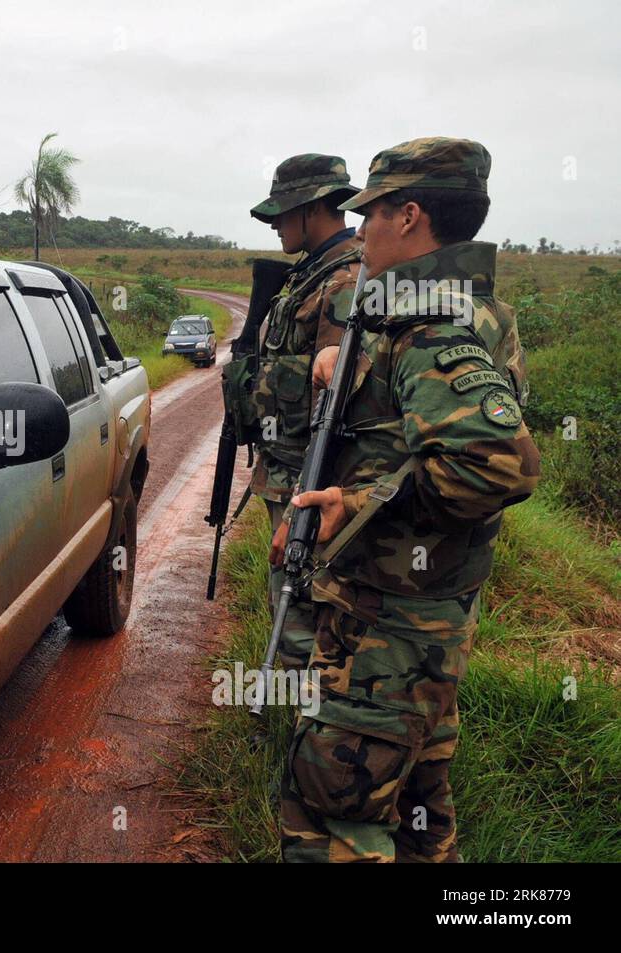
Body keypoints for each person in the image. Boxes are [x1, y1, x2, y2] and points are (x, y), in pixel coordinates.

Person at [272, 136, 540, 862]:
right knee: (420, 814)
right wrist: (346, 359)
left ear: (412, 216)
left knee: (329, 818)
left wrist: (355, 506)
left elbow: (495, 469)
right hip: (429, 612)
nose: (362, 230)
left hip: (392, 624)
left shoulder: (431, 324)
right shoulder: (470, 308)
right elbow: (417, 426)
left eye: (375, 213)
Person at [245, 154, 363, 668]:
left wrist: (302, 507)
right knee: (287, 603)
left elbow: (334, 413)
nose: (275, 224)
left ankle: (299, 729)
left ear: (314, 208)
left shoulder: (342, 283)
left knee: (301, 612)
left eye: (282, 212)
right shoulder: (311, 275)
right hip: (286, 469)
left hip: (308, 480)